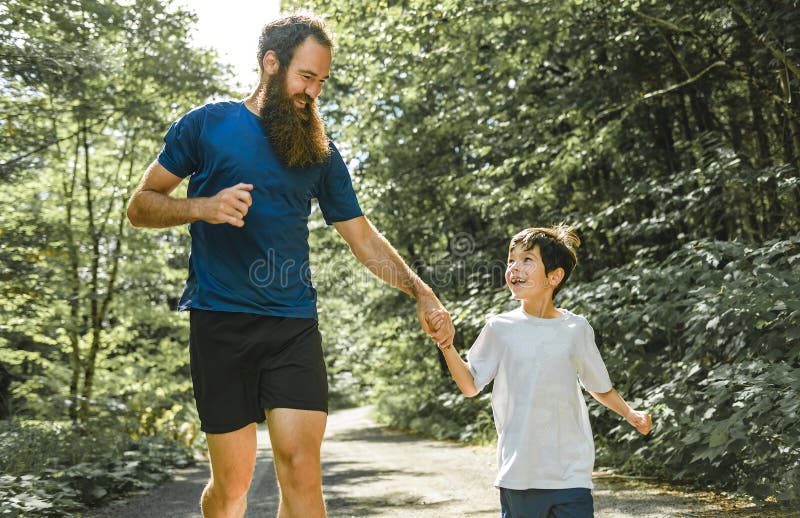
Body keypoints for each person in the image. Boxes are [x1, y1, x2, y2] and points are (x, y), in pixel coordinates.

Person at [126, 13, 454, 518]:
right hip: (220, 322)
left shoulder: (320, 151)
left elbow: (361, 236)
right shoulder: (206, 126)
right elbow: (141, 204)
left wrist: (421, 291)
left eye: (321, 81)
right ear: (271, 64)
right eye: (306, 77)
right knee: (232, 487)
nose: (313, 92)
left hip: (292, 326)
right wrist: (201, 206)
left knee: (302, 471)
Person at [432, 225, 651, 518]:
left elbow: (598, 386)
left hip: (571, 473)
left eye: (527, 260)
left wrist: (629, 414)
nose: (514, 268)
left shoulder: (576, 329)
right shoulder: (499, 328)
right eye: (511, 260)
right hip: (519, 473)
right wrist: (447, 345)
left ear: (554, 276)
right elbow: (471, 385)